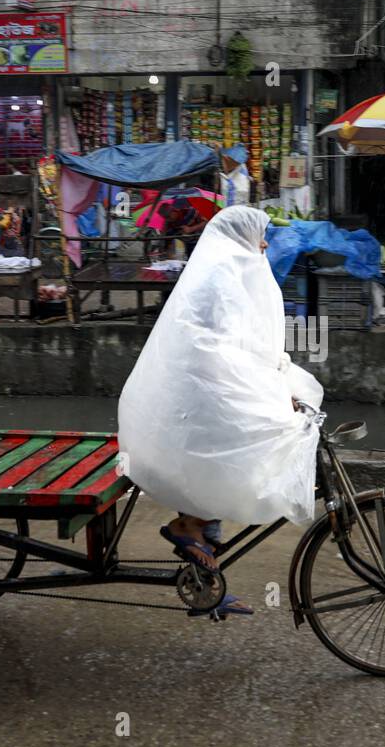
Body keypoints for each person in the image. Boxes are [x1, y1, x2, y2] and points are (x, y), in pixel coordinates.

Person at [117, 206, 323, 619]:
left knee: (231, 461)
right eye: (258, 235)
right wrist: (264, 391)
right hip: (199, 397)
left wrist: (275, 382)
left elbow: (244, 343)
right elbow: (217, 349)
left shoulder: (231, 270)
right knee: (247, 446)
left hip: (206, 396)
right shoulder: (219, 276)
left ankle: (206, 583)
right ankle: (188, 531)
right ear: (240, 237)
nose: (265, 244)